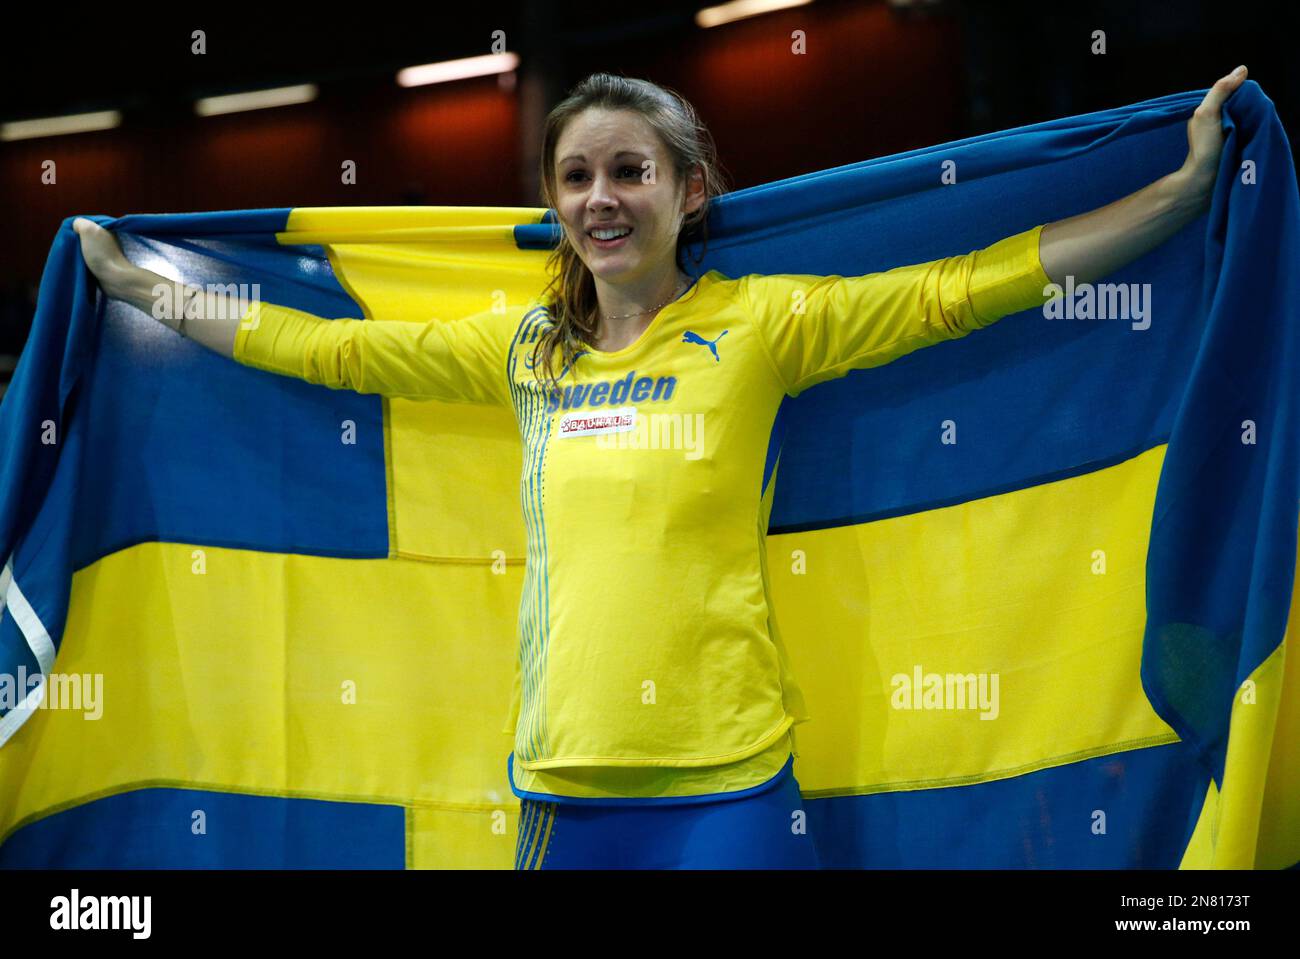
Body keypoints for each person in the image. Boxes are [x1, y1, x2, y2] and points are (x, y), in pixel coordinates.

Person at [73, 66, 1248, 869]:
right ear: (553, 200)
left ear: (690, 192)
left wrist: (1178, 194)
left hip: (730, 783)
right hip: (562, 784)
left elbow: (963, 290)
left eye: (629, 171)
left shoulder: (761, 325)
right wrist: (145, 291)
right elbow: (321, 346)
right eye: (576, 176)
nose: (600, 198)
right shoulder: (522, 348)